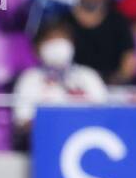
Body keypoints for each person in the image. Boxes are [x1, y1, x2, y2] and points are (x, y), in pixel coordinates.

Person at [12, 19, 107, 148]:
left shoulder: (88, 76)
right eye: (51, 40)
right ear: (38, 48)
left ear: (72, 44)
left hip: (89, 143)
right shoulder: (29, 79)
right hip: (46, 146)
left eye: (63, 39)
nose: (58, 45)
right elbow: (24, 122)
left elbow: (105, 115)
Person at [65, 0, 136, 85]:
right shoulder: (64, 21)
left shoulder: (118, 22)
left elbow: (129, 60)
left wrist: (115, 81)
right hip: (73, 85)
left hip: (110, 86)